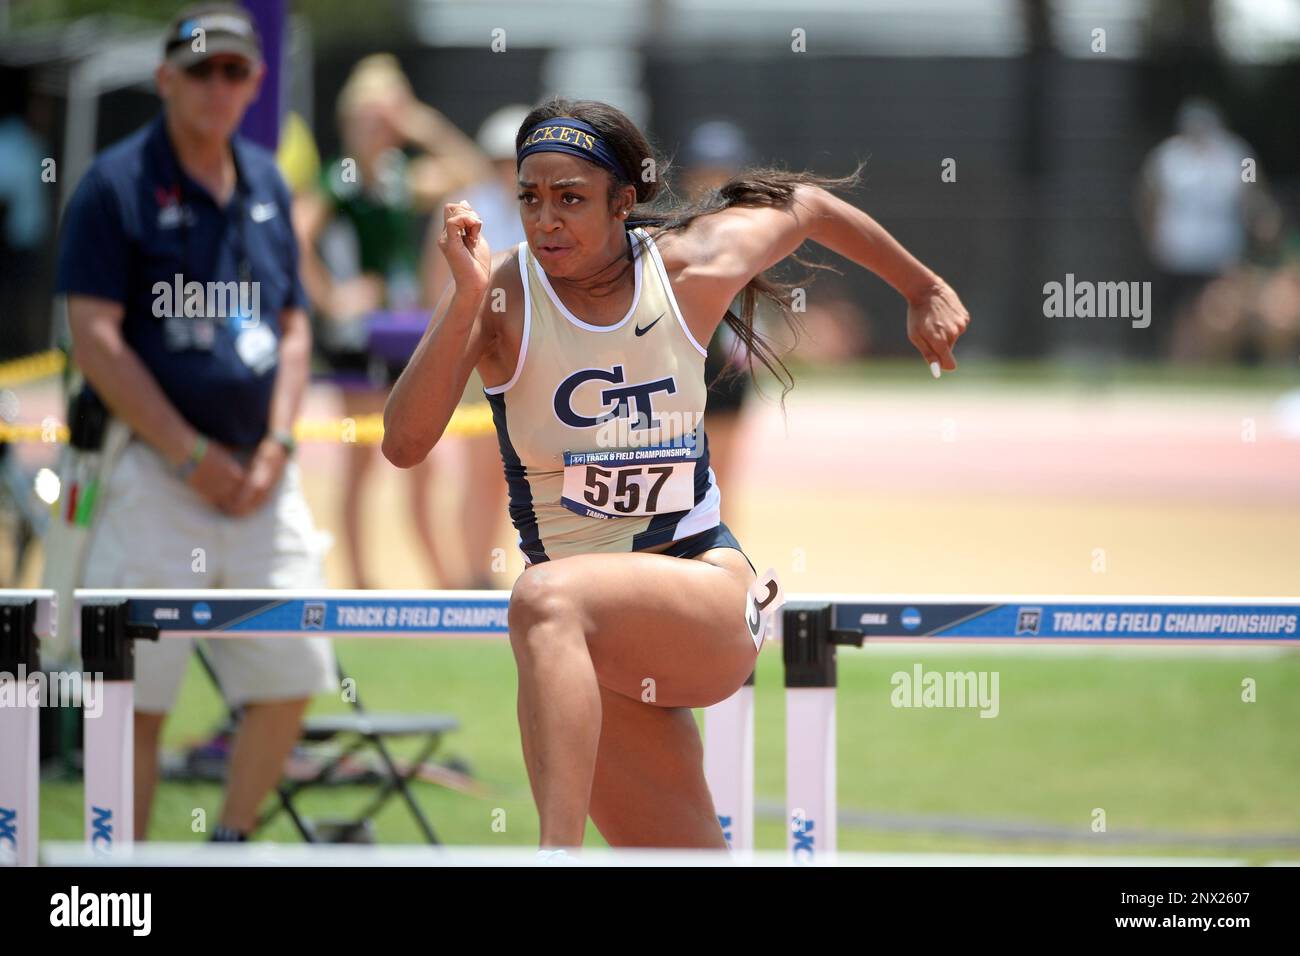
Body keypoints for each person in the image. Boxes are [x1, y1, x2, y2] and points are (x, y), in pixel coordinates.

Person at [382, 97, 970, 850]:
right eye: (530, 199)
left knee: (540, 596)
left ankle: (553, 859)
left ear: (625, 202)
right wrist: (464, 299)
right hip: (596, 648)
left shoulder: (689, 267)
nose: (546, 221)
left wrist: (921, 289)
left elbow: (808, 206)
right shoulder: (499, 293)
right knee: (678, 858)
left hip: (704, 598)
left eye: (571, 200)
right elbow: (403, 444)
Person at [54, 3, 337, 842]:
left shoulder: (264, 179)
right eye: (202, 69)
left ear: (254, 84)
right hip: (152, 469)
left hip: (262, 472)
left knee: (293, 672)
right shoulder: (115, 183)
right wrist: (188, 456)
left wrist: (280, 444)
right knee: (133, 694)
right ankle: (123, 876)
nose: (219, 85)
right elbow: (95, 339)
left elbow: (292, 325)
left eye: (235, 71)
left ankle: (230, 845)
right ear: (165, 78)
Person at [293, 55, 488, 589]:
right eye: (370, 117)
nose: (380, 128)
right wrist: (333, 298)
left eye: (387, 117)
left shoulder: (399, 177)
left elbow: (470, 168)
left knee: (420, 456)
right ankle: (359, 584)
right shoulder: (342, 178)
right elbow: (295, 233)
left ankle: (442, 579)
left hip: (401, 332)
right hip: (358, 338)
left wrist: (419, 123)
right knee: (360, 462)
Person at [419, 104, 532, 587]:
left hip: (530, 358)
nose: (510, 171)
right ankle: (474, 576)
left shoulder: (541, 209)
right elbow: (435, 285)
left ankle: (496, 569)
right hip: (483, 356)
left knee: (517, 476)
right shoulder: (468, 207)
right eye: (503, 161)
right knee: (481, 471)